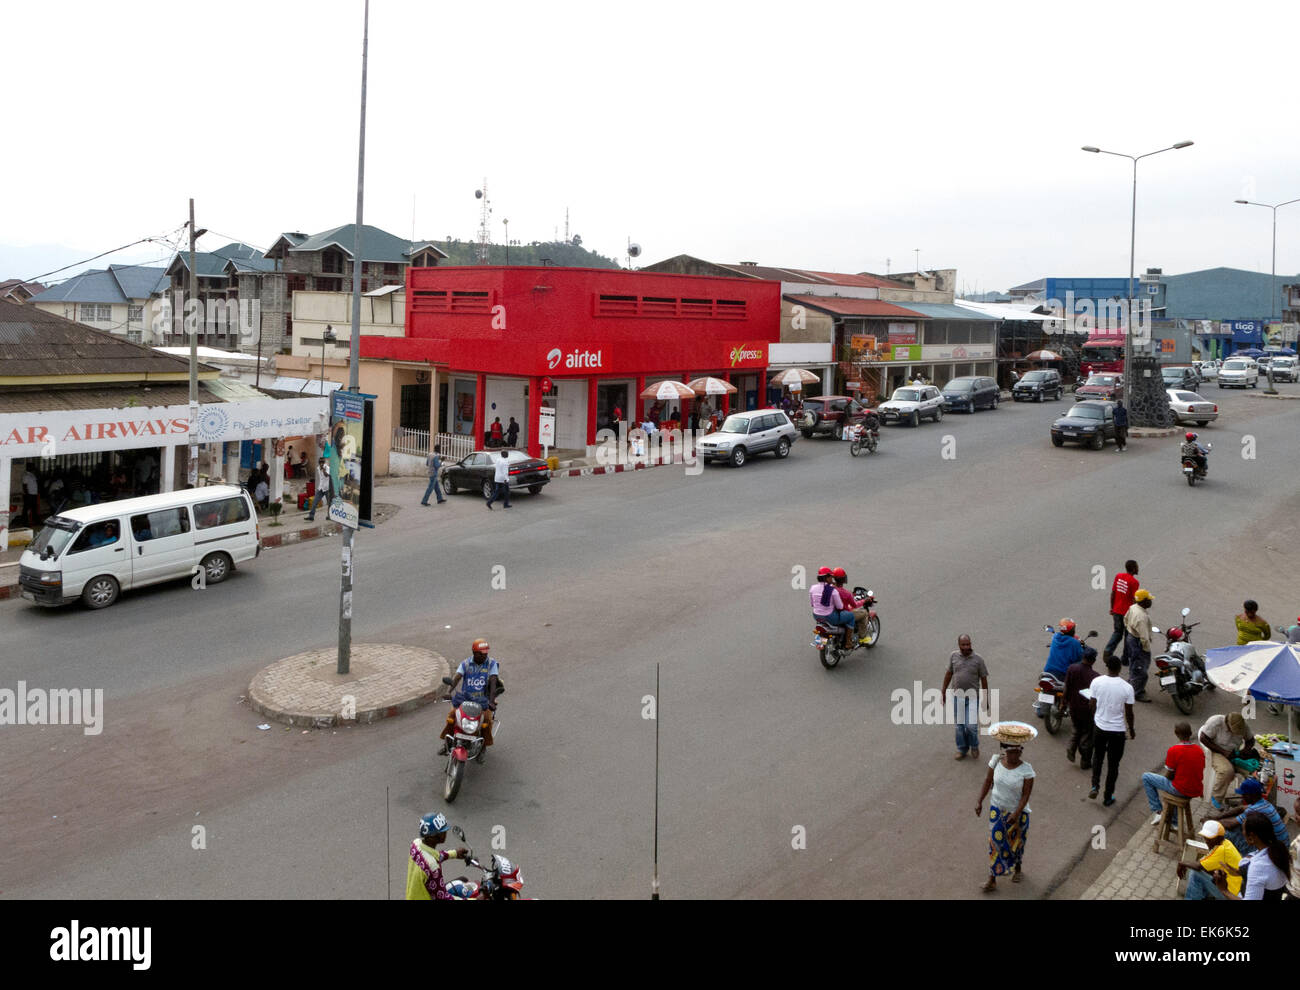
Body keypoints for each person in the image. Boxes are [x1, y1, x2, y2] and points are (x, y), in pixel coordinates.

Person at [975, 724, 1036, 892]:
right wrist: (979, 801)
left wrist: (1016, 813)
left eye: (1017, 752)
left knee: (1016, 844)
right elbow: (987, 782)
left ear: (1021, 752)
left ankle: (1017, 869)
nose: (1014, 755)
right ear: (1005, 751)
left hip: (1018, 814)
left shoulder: (1027, 771)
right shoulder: (995, 762)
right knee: (995, 843)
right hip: (997, 811)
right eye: (1011, 752)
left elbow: (1026, 795)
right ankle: (992, 879)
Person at [439, 639, 500, 754]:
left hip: (483, 701)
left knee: (487, 720)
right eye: (482, 653)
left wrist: (491, 701)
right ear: (475, 653)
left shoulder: (491, 664)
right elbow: (456, 678)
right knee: (452, 716)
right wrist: (448, 691)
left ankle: (483, 747)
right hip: (465, 699)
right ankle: (447, 743)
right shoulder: (466, 663)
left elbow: (493, 682)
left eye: (486, 653)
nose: (485, 655)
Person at [1089, 655, 1135, 806]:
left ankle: (1095, 785)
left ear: (1107, 666)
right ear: (1120, 668)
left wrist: (1096, 716)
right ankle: (1108, 796)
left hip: (1100, 727)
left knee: (1098, 757)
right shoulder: (1127, 688)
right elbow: (1129, 712)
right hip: (1117, 731)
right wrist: (1131, 729)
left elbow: (1092, 704)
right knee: (1113, 764)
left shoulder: (1097, 682)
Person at [1202, 778, 1289, 856]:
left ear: (1251, 795)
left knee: (1219, 833)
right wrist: (1216, 818)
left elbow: (1230, 824)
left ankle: (1215, 857)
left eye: (1244, 794)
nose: (1242, 797)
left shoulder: (1255, 810)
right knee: (1235, 828)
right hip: (1280, 845)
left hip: (1274, 852)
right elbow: (1240, 808)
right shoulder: (1264, 803)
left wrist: (1210, 822)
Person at [1141, 721, 1204, 827]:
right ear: (1190, 733)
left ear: (1176, 733)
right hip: (1195, 789)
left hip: (1181, 789)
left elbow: (1169, 775)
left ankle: (1158, 811)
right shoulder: (1199, 750)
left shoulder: (1174, 750)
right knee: (1174, 785)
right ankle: (1175, 822)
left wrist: (1165, 781)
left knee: (1146, 777)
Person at [1223, 812, 1292, 900]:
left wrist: (1224, 890)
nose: (1242, 833)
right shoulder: (1279, 850)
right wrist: (1239, 872)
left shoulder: (1258, 866)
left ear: (1251, 837)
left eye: (1243, 830)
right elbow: (1268, 876)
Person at [942, 634, 989, 761]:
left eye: (968, 644)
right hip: (958, 697)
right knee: (959, 726)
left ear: (971, 644)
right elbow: (948, 674)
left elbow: (984, 680)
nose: (966, 647)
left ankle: (974, 745)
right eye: (963, 645)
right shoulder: (953, 656)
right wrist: (943, 692)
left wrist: (986, 699)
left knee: (971, 726)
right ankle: (962, 748)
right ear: (959, 645)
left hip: (973, 697)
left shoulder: (978, 660)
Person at [405, 812, 470, 900]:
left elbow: (432, 856)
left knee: (463, 879)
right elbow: (443, 897)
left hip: (411, 896)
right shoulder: (433, 867)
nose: (445, 832)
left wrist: (454, 853)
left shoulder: (415, 844)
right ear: (432, 836)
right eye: (442, 831)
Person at [1199, 712, 1255, 810]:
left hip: (1234, 753)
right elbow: (1203, 738)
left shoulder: (1243, 725)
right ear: (1228, 725)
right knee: (1227, 771)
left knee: (1253, 770)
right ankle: (1216, 798)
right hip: (1216, 751)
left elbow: (1250, 740)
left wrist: (1245, 750)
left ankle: (1246, 797)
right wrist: (1223, 752)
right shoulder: (1216, 722)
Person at [1179, 820, 1243, 900]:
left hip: (1230, 894)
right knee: (1205, 870)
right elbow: (1204, 865)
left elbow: (1198, 866)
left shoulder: (1221, 850)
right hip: (1234, 888)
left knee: (1195, 873)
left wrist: (1181, 863)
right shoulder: (1226, 843)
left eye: (1210, 838)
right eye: (1205, 838)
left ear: (1220, 837)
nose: (1206, 841)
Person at [1036, 619, 1082, 718]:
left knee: (1044, 688)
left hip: (1048, 671)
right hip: (1063, 674)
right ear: (1072, 630)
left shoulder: (1055, 638)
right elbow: (1079, 658)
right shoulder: (1075, 643)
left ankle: (1040, 707)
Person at [1063, 646, 1099, 769]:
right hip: (1088, 710)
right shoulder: (1095, 676)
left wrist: (1064, 703)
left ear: (1083, 657)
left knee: (1076, 729)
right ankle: (1085, 761)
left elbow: (1066, 688)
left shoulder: (1072, 668)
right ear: (1093, 660)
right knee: (1087, 735)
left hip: (1073, 707)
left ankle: (1071, 747)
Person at [1123, 588, 1155, 701]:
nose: (1151, 601)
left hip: (1131, 638)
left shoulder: (1133, 607)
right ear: (1143, 601)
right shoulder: (1141, 617)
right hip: (1137, 642)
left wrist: (1130, 630)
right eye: (1149, 600)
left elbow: (1125, 619)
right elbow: (1144, 637)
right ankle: (1137, 692)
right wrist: (1146, 650)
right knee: (1141, 669)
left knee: (1133, 662)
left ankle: (1131, 681)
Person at [1104, 560, 1139, 662]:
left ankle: (1108, 651)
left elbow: (1113, 593)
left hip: (1116, 610)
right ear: (1133, 569)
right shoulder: (1134, 582)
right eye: (1137, 567)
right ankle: (1125, 658)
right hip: (1127, 614)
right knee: (1128, 635)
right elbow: (1134, 600)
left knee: (1117, 633)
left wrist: (1112, 608)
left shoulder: (1118, 576)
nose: (1138, 568)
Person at [809, 567, 854, 642]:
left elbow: (812, 604)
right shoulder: (833, 590)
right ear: (826, 578)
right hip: (830, 617)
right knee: (851, 616)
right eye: (831, 577)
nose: (832, 579)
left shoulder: (813, 588)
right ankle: (848, 642)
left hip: (816, 616)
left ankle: (822, 638)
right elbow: (840, 607)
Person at [831, 568, 869, 645]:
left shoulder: (830, 588)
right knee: (864, 613)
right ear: (844, 579)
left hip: (832, 613)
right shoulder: (846, 593)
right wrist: (864, 601)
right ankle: (863, 637)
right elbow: (854, 605)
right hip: (843, 613)